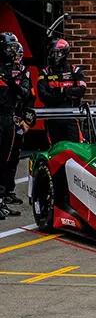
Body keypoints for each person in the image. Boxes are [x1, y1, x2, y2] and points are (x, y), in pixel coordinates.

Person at [0, 33, 32, 218]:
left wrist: (13, 84)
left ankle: (2, 199)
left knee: (5, 161)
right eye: (9, 48)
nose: (12, 52)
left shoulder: (18, 71)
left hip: (9, 117)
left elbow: (26, 94)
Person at [36, 38, 87, 145]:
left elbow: (81, 90)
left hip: (71, 115)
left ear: (64, 53)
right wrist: (62, 96)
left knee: (76, 147)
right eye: (52, 53)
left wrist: (64, 91)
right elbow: (43, 95)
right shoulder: (45, 73)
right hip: (52, 117)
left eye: (57, 53)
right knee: (55, 149)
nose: (54, 56)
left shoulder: (74, 71)